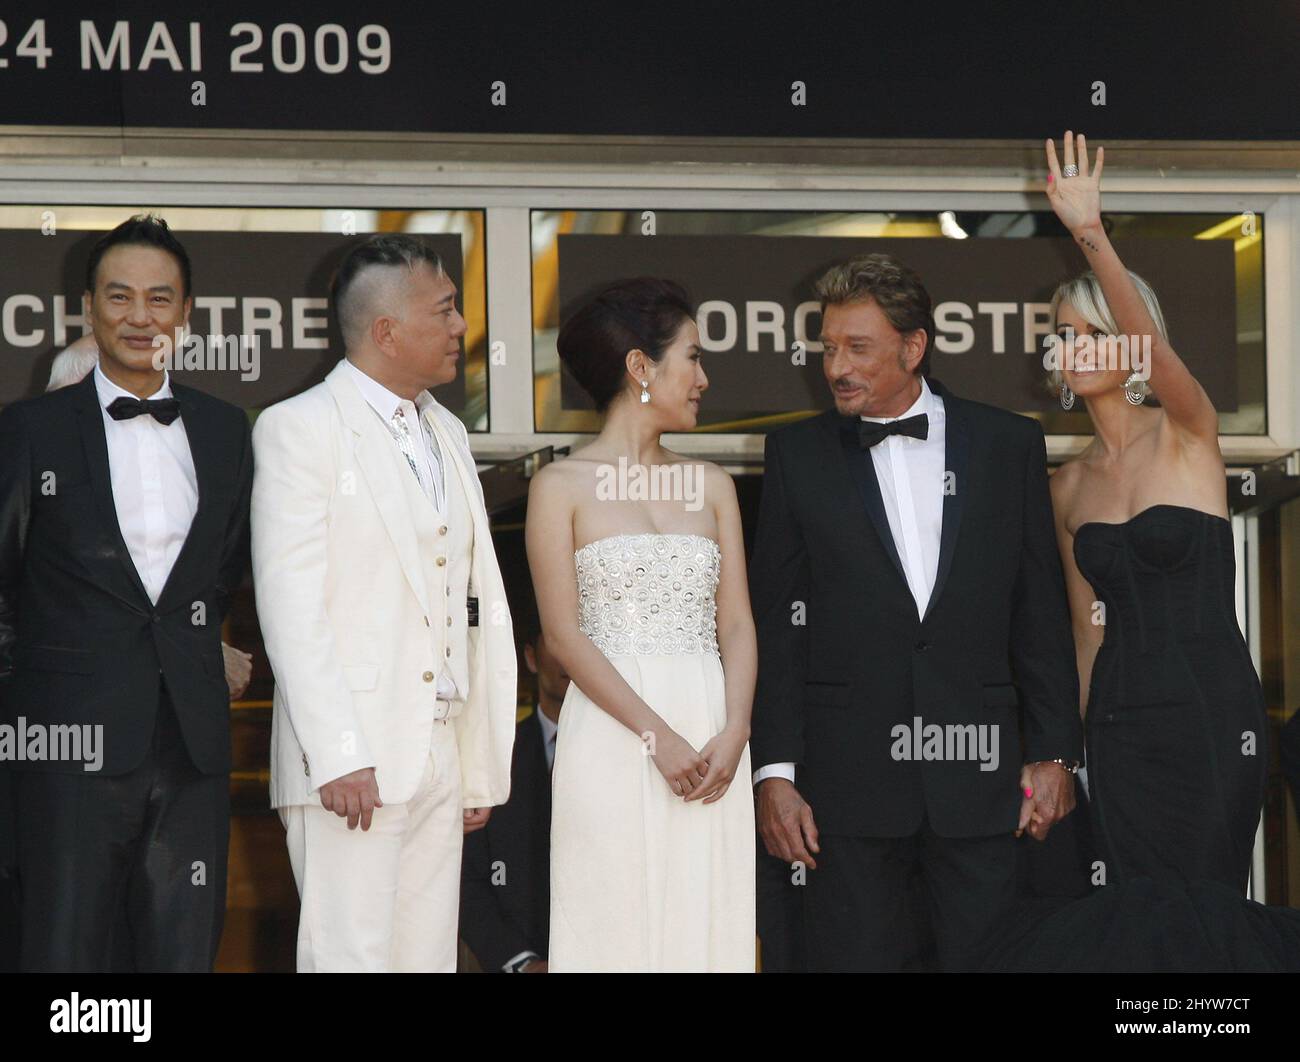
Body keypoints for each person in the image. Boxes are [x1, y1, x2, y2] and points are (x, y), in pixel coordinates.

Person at [979, 132, 1300, 971]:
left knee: (1205, 909)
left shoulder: (1190, 434)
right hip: (1117, 721)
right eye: (1058, 334)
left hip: (1206, 712)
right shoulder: (1065, 486)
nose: (1070, 346)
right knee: (1128, 916)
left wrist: (1091, 234)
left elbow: (1158, 358)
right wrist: (1073, 753)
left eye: (1088, 330)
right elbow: (1085, 633)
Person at [749, 252, 1084, 972]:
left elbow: (1038, 611)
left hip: (985, 782)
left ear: (913, 347)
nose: (837, 365)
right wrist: (774, 772)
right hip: (846, 789)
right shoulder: (796, 455)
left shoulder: (1007, 444)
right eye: (829, 347)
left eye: (858, 348)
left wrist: (1054, 752)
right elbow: (777, 626)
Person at [252, 234, 517, 973]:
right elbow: (289, 601)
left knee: (426, 961)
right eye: (448, 309)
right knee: (350, 959)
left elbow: (467, 598)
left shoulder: (448, 430)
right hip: (351, 755)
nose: (463, 327)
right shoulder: (299, 427)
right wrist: (339, 753)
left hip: (438, 747)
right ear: (387, 331)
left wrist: (473, 758)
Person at [0, 214, 253, 971]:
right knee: (66, 952)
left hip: (192, 748)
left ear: (185, 315)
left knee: (183, 949)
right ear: (87, 309)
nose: (139, 317)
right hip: (64, 746)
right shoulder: (29, 431)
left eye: (159, 299)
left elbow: (222, 571)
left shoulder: (224, 430)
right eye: (120, 297)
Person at [526, 277, 756, 972]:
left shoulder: (713, 485)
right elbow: (563, 637)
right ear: (640, 368)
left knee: (705, 923)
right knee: (614, 919)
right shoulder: (559, 487)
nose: (703, 378)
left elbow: (739, 625)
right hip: (616, 736)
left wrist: (737, 728)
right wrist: (657, 737)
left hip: (714, 741)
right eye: (691, 357)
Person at [43, 332, 254, 700]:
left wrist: (197, 647)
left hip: (175, 717)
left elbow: (215, 578)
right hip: (62, 710)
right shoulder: (30, 467)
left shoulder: (184, 468)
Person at [459, 608, 569, 973]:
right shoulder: (493, 754)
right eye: (558, 643)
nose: (571, 658)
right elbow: (467, 873)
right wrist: (520, 962)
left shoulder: (632, 755)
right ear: (531, 657)